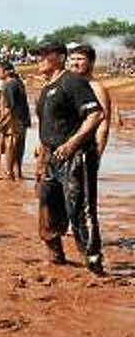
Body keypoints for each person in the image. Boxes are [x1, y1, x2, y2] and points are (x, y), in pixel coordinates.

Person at [33, 41, 105, 274]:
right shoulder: (45, 90)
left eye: (45, 54)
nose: (39, 59)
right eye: (38, 55)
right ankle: (55, 254)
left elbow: (96, 115)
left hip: (76, 155)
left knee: (79, 209)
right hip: (51, 158)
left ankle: (93, 262)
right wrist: (42, 158)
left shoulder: (72, 81)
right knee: (47, 207)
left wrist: (73, 143)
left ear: (60, 57)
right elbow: (47, 128)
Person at [67, 43, 112, 269]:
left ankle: (94, 254)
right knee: (70, 202)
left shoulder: (97, 88)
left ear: (91, 63)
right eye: (72, 59)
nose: (75, 63)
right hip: (65, 153)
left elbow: (103, 126)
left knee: (86, 206)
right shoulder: (71, 85)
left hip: (86, 153)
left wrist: (97, 155)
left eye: (80, 59)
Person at [0, 61, 30, 180]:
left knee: (10, 146)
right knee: (19, 147)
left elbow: (9, 107)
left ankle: (9, 173)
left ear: (6, 72)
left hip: (14, 120)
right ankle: (18, 172)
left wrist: (0, 123)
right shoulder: (18, 82)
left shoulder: (9, 84)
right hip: (22, 119)